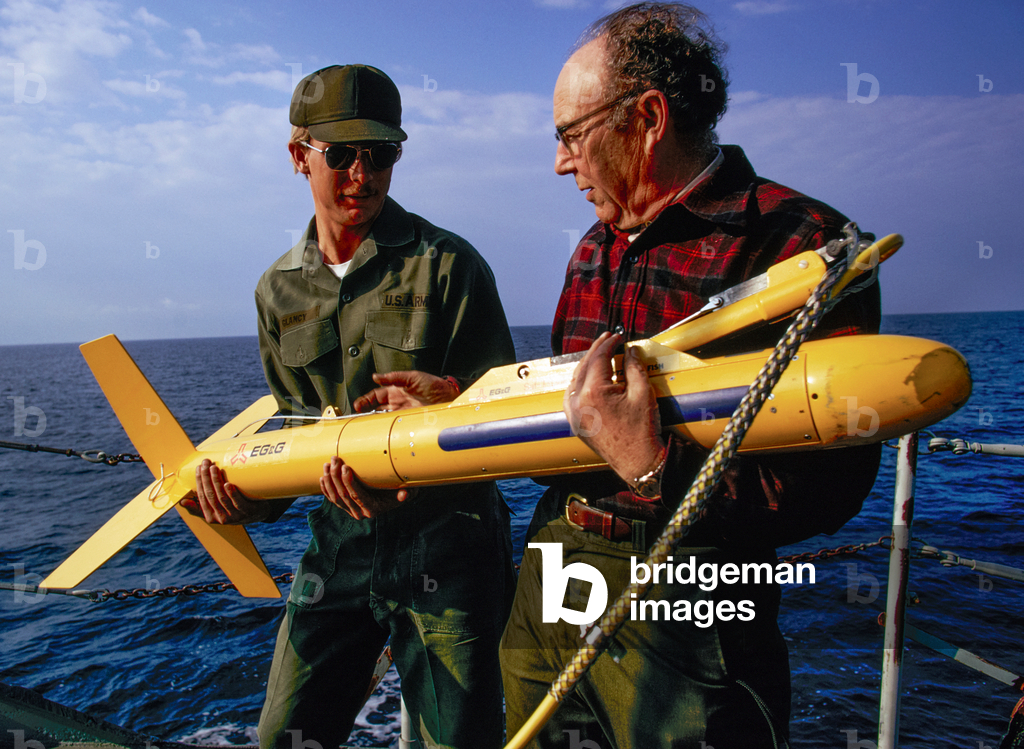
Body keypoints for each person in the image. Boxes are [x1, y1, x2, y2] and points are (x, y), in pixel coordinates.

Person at [499, 4, 883, 748]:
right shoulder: (593, 247)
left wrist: (653, 469)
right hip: (551, 567)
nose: (559, 162)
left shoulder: (800, 245)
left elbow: (829, 486)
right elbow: (570, 404)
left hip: (688, 593)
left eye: (569, 136)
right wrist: (461, 403)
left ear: (646, 118)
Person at [181, 64, 517, 749]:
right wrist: (242, 500)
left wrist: (449, 401)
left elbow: (509, 409)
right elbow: (297, 433)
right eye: (341, 155)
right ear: (298, 155)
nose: (361, 175)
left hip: (449, 550)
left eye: (381, 154)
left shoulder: (448, 266)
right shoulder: (276, 292)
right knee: (284, 736)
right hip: (340, 551)